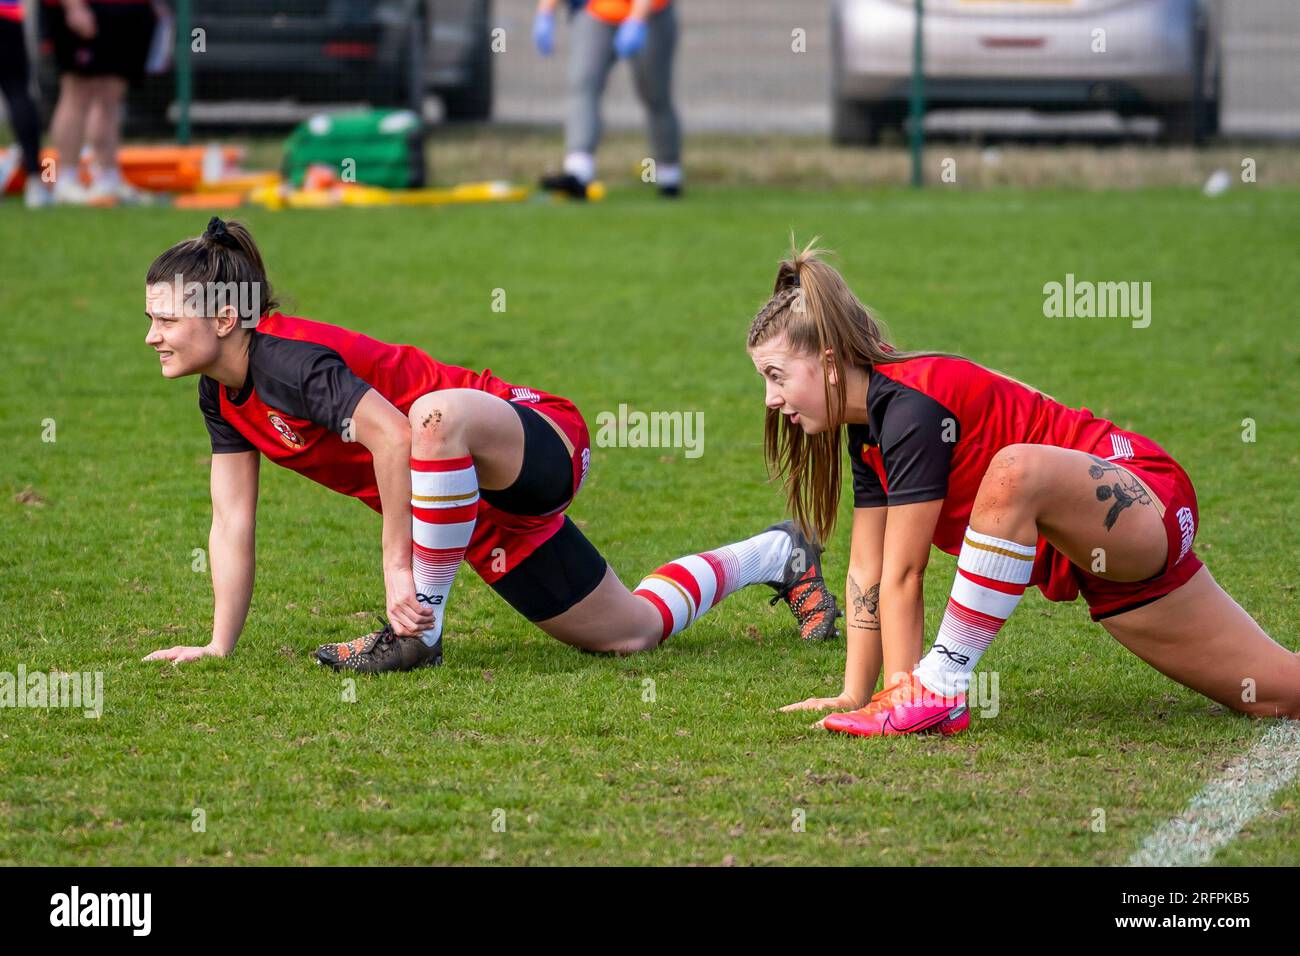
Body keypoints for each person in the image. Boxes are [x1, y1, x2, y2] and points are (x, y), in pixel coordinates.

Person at [141, 218, 840, 672]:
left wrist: (398, 577)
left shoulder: (286, 360)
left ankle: (420, 633)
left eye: (166, 319)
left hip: (534, 442)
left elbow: (390, 437)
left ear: (226, 318)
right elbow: (231, 520)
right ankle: (778, 553)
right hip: (464, 513)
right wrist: (216, 644)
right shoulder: (222, 394)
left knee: (431, 418)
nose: (152, 336)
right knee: (631, 632)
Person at [748, 240, 1300, 736]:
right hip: (1094, 561)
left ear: (828, 362)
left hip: (1137, 499)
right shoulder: (867, 431)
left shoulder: (910, 406)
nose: (771, 399)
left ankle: (937, 688)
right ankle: (921, 694)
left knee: (1013, 469)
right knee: (1279, 695)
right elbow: (868, 570)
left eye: (777, 375)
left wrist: (904, 690)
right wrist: (855, 692)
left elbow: (907, 573)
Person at [533, 0, 682, 199]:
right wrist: (545, 13)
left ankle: (668, 174)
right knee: (583, 84)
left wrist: (637, 20)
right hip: (597, 10)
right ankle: (578, 171)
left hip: (650, 13)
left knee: (655, 94)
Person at [40, 0, 157, 204]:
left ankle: (108, 178)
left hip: (128, 9)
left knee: (111, 95)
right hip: (87, 8)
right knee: (77, 91)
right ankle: (65, 180)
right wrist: (73, 7)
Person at [0, 0, 52, 206]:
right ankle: (34, 180)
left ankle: (35, 179)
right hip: (6, 13)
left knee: (17, 93)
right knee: (17, 91)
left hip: (7, 12)